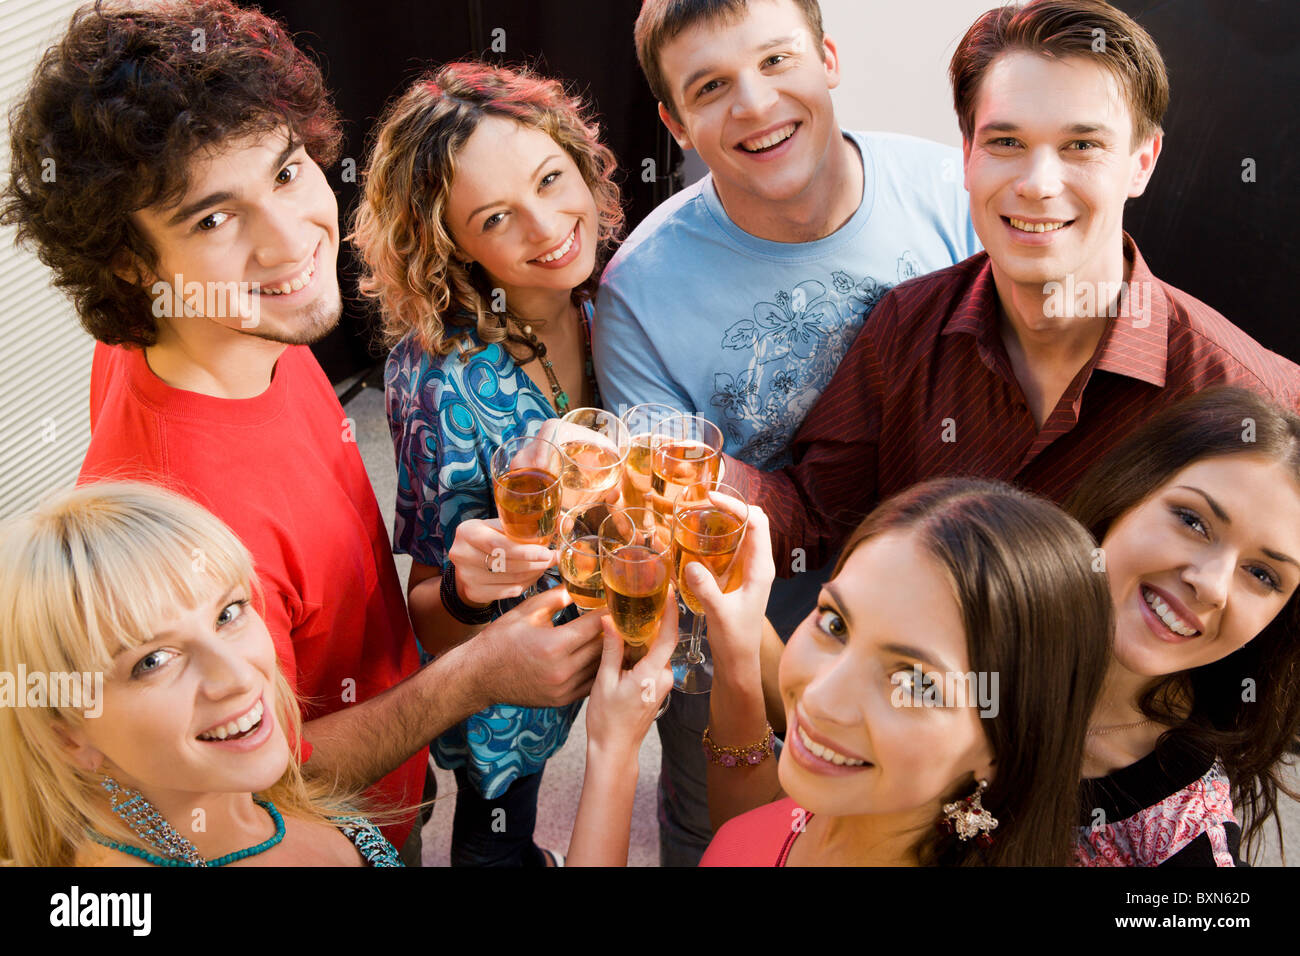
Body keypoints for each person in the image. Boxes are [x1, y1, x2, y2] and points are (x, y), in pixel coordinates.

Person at [0, 0, 606, 859]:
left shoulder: (192, 329)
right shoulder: (181, 515)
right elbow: (239, 773)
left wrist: (468, 598)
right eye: (213, 219)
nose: (291, 244)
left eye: (286, 174)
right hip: (330, 826)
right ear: (132, 264)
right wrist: (472, 680)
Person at [597, 0, 981, 867]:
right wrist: (774, 683)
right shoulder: (640, 292)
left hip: (945, 612)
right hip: (745, 619)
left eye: (776, 62)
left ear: (829, 57)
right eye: (711, 85)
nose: (756, 105)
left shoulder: (953, 193)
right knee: (728, 838)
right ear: (674, 120)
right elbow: (690, 529)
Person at [722, 0, 1300, 574]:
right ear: (968, 155)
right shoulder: (905, 323)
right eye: (1006, 143)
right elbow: (818, 520)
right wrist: (675, 469)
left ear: (1142, 163)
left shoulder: (1252, 398)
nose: (1038, 184)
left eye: (1082, 146)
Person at [0, 483, 674, 868]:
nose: (238, 676)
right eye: (152, 660)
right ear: (68, 735)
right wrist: (613, 756)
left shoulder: (243, 792)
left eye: (231, 612)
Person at [350, 61, 625, 865]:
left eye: (551, 178)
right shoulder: (438, 380)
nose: (547, 228)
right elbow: (428, 607)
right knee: (495, 837)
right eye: (498, 217)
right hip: (504, 696)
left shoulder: (615, 301)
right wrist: (478, 581)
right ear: (449, 245)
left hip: (601, 646)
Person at [693, 478, 1112, 865]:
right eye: (836, 624)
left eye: (915, 682)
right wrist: (736, 640)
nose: (822, 699)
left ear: (1009, 743)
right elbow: (749, 834)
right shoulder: (837, 797)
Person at [1065, 387, 1300, 866]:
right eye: (1193, 521)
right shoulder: (956, 616)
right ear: (1126, 492)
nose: (1211, 586)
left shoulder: (1186, 844)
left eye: (1262, 575)